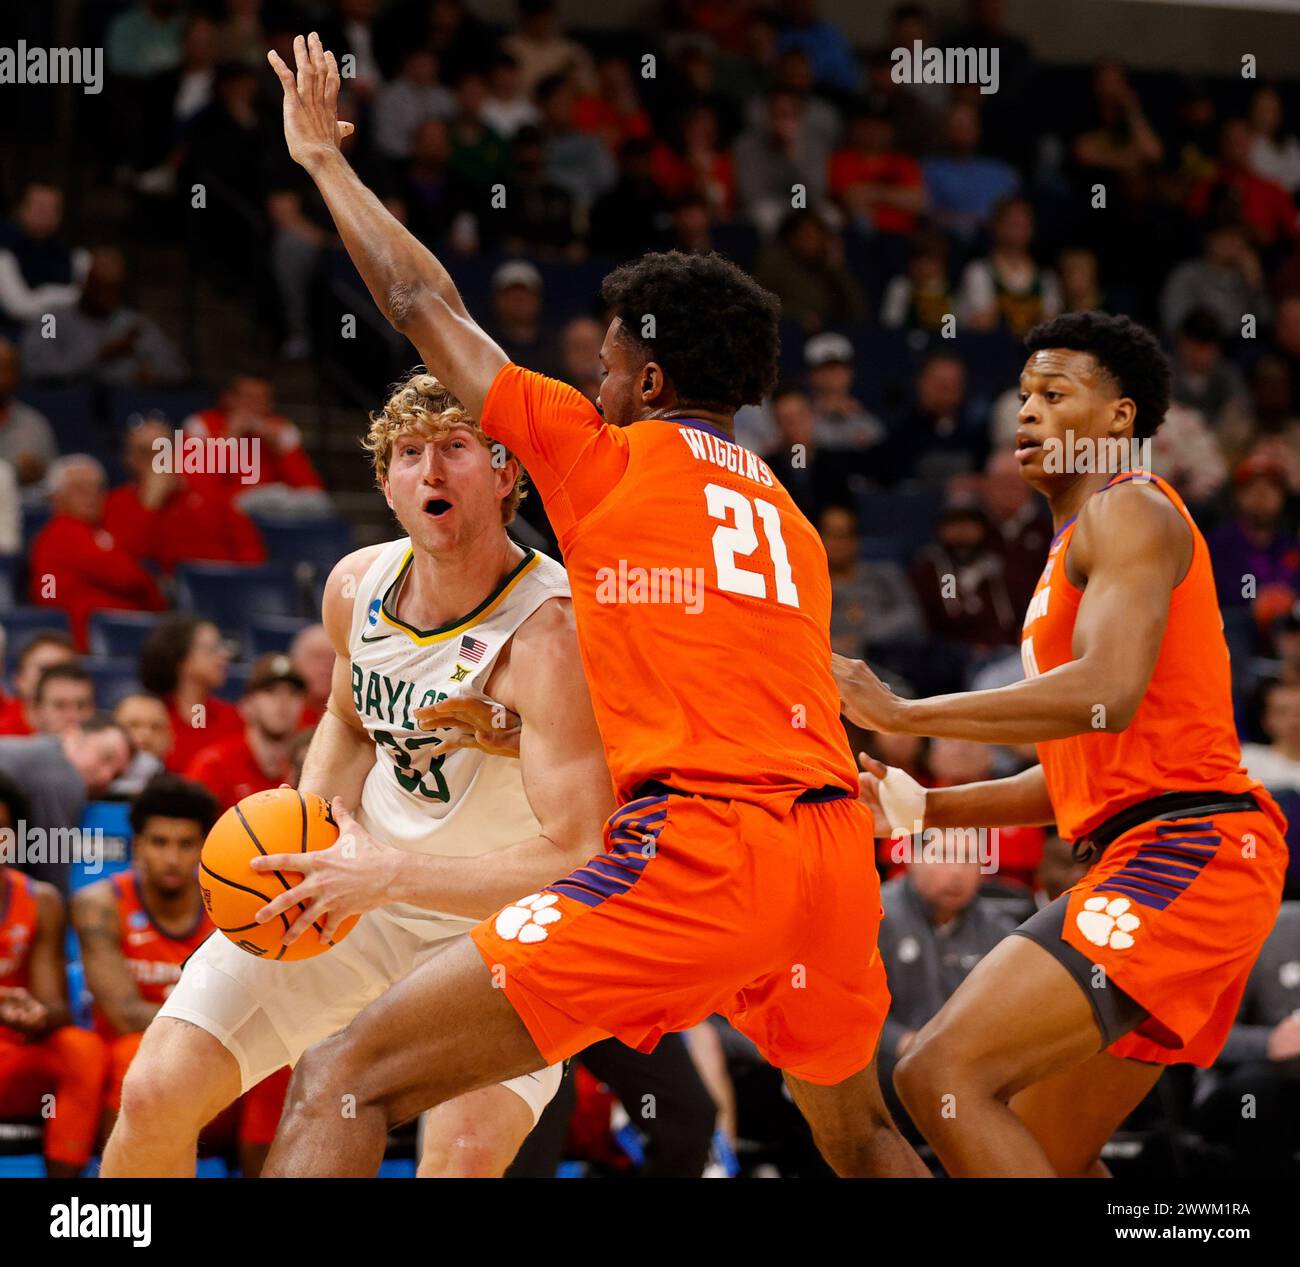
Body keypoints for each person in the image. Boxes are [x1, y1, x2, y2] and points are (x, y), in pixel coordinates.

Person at [252, 33, 927, 1180]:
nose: (596, 385)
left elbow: (421, 297)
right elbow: (719, 680)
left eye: (609, 368)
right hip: (824, 857)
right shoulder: (792, 528)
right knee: (859, 1135)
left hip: (699, 852)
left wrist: (322, 163)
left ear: (650, 382)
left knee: (342, 1077)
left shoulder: (606, 457)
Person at [102, 370, 613, 1179]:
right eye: (410, 453)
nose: (433, 472)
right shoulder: (357, 583)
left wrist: (390, 873)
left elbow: (581, 857)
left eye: (457, 448)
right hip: (361, 892)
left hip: (500, 930)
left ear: (508, 472)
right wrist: (311, 829)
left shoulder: (552, 636)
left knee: (462, 1160)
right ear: (385, 484)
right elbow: (345, 717)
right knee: (154, 1092)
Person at [835, 311, 1289, 1176]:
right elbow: (1087, 768)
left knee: (941, 1070)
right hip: (1155, 845)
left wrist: (905, 712)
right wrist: (927, 805)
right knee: (1046, 1154)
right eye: (1022, 396)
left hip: (1192, 851)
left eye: (1055, 393)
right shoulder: (1077, 543)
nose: (1028, 413)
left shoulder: (1131, 509)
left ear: (1121, 419)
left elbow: (1105, 698)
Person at [72, 774, 289, 1175]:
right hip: (131, 1074)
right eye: (159, 842)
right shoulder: (99, 904)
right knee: (135, 1057)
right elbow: (124, 1015)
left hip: (214, 1076)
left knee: (280, 1067)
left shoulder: (235, 907)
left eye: (185, 844)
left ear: (204, 848)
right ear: (137, 846)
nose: (172, 857)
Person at [0, 773, 108, 1177]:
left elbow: (55, 1007)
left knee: (83, 1049)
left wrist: (35, 1013)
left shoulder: (39, 901)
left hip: (13, 1054)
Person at [28, 455, 166, 648]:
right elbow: (128, 577)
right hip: (90, 641)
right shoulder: (64, 532)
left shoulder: (99, 530)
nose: (90, 494)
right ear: (57, 497)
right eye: (79, 488)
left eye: (97, 488)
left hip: (118, 633)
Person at [0, 714, 134, 892]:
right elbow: (49, 865)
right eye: (106, 757)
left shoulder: (34, 752)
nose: (105, 776)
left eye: (116, 775)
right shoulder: (65, 776)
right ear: (72, 734)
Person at [184, 654, 306, 810]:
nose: (283, 701)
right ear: (247, 705)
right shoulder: (215, 764)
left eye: (294, 693)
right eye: (270, 692)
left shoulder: (307, 767)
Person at [138, 615, 242, 774]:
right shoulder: (153, 716)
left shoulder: (230, 717)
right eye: (212, 649)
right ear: (182, 659)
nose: (224, 655)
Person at [0, 632, 78, 737]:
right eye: (44, 670)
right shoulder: (3, 726)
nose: (53, 679)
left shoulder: (87, 725)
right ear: (19, 679)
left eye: (62, 671)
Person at [27, 664, 95, 736]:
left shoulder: (104, 743)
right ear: (35, 711)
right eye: (60, 706)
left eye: (81, 706)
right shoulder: (17, 745)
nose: (73, 716)